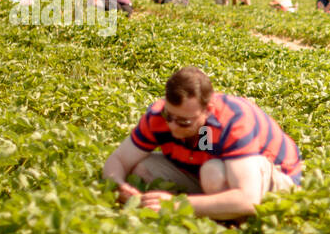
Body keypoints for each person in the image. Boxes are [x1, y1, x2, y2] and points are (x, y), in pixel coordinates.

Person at [102, 66, 303, 221]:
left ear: (207, 111)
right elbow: (119, 159)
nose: (172, 126)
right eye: (168, 115)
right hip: (220, 170)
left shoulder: (233, 121)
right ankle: (213, 207)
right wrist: (117, 184)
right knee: (140, 170)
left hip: (277, 178)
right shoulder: (161, 118)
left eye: (184, 121)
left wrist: (176, 205)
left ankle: (231, 223)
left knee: (212, 173)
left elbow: (248, 199)